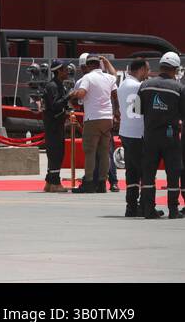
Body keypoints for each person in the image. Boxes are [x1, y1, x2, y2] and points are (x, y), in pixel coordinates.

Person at [137, 51, 184, 220]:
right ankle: (173, 210)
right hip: (170, 138)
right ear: (175, 69)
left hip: (150, 136)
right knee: (173, 174)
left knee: (148, 174)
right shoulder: (179, 88)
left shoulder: (144, 86)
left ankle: (149, 210)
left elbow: (137, 110)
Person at [70, 54, 119, 193]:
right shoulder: (109, 78)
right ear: (99, 65)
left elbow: (81, 94)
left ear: (89, 65)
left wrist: (72, 94)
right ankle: (102, 183)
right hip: (107, 118)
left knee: (90, 152)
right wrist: (117, 112)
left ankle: (89, 182)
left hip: (93, 118)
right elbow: (115, 96)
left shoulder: (88, 77)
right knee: (104, 152)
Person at [116, 58, 150, 218]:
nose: (148, 74)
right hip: (139, 133)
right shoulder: (140, 86)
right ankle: (144, 205)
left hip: (126, 132)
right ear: (141, 69)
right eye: (147, 70)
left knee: (131, 171)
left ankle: (131, 205)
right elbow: (140, 111)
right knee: (145, 171)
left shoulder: (123, 85)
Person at [41, 61, 74, 193]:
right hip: (53, 125)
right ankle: (55, 183)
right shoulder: (53, 86)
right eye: (65, 70)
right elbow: (55, 105)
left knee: (56, 153)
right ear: (59, 71)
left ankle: (49, 182)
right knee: (56, 153)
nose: (67, 72)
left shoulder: (58, 85)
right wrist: (68, 96)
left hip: (57, 124)